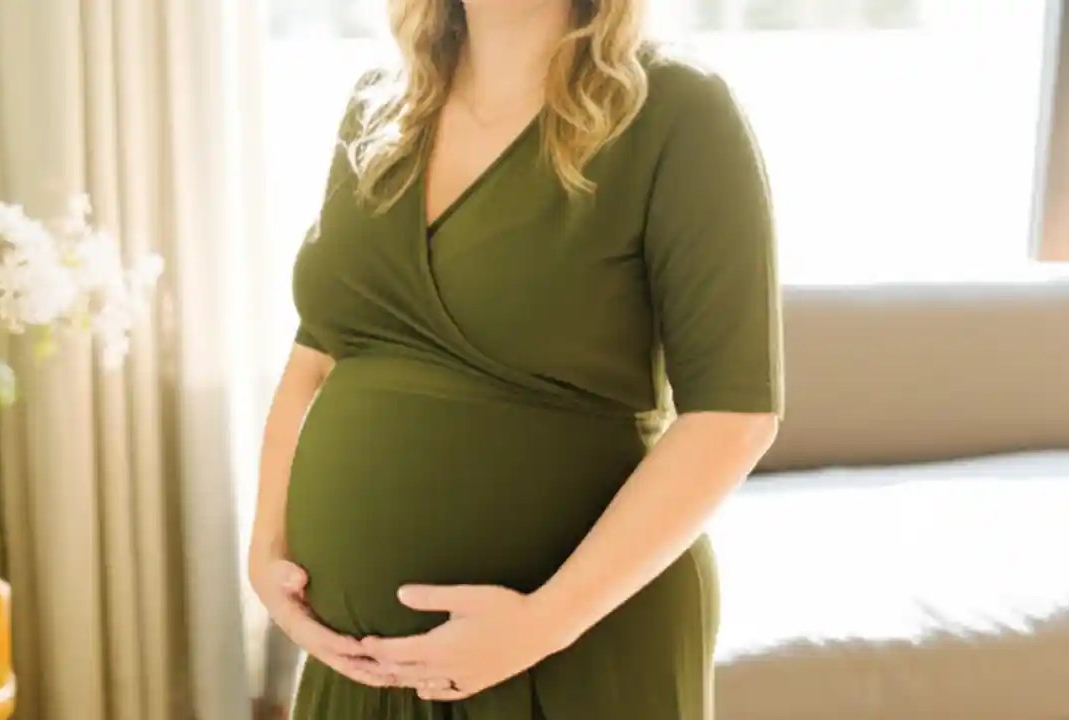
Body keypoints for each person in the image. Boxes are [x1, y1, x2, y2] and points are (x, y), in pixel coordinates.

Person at [249, 0, 784, 717]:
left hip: (574, 655)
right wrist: (266, 549)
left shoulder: (678, 114)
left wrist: (544, 623)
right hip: (364, 673)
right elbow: (317, 352)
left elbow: (734, 416)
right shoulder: (379, 112)